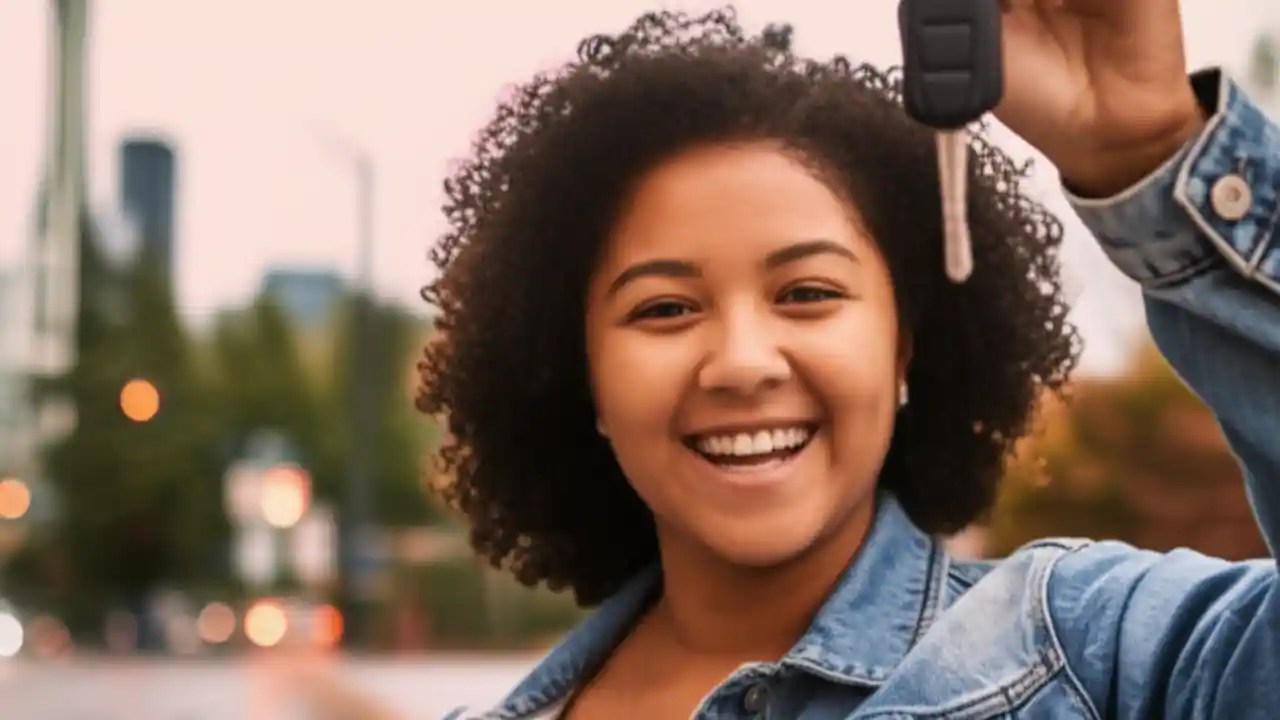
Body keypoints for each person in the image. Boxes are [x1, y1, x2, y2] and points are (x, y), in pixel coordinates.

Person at [419, 1, 1280, 717]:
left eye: (808, 293)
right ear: (587, 379)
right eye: (665, 309)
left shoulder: (1103, 654)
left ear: (905, 347)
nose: (743, 363)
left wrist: (1151, 153)